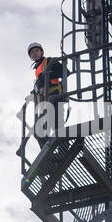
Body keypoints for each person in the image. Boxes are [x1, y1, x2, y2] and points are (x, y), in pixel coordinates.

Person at [28, 42, 67, 174]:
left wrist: (46, 75)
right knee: (39, 131)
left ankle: (62, 154)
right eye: (32, 52)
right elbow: (41, 83)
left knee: (57, 127)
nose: (34, 53)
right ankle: (49, 159)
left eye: (36, 51)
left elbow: (65, 72)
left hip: (55, 98)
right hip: (44, 103)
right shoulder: (38, 68)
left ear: (41, 52)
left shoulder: (49, 61)